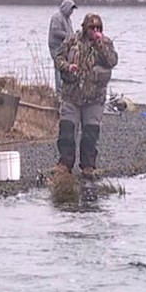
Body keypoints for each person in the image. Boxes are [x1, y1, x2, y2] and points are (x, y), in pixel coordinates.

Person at [53, 12, 118, 179]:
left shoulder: (106, 43)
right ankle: (65, 164)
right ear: (84, 27)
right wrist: (68, 67)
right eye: (92, 27)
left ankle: (88, 166)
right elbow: (58, 58)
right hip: (71, 95)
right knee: (67, 130)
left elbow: (112, 61)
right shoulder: (71, 40)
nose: (95, 30)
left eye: (98, 28)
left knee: (90, 134)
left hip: (94, 98)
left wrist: (100, 43)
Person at [47, 0, 78, 93]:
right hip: (56, 47)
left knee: (66, 67)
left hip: (65, 48)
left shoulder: (68, 20)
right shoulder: (57, 17)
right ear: (66, 8)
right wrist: (68, 36)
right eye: (71, 9)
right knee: (58, 67)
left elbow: (70, 32)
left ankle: (65, 89)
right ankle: (59, 91)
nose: (72, 11)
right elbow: (55, 31)